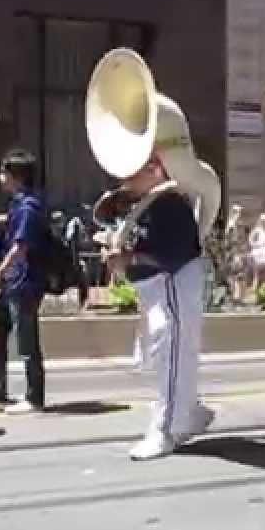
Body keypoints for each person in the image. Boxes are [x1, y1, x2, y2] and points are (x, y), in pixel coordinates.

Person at [101, 159, 216, 461]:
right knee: (164, 357)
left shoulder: (169, 204)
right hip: (157, 293)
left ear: (154, 170)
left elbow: (173, 255)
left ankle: (165, 430)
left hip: (170, 289)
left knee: (171, 355)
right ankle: (189, 412)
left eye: (133, 170)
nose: (124, 177)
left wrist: (129, 259)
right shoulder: (150, 206)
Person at [0, 150, 50, 415]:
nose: (0, 178)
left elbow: (20, 247)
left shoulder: (28, 208)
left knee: (26, 341)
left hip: (24, 281)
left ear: (16, 176)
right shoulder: (18, 206)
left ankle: (34, 398)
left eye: (4, 173)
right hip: (13, 281)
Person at [249, 213, 265, 289]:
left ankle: (263, 289)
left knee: (264, 273)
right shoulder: (256, 230)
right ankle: (255, 289)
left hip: (264, 253)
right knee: (257, 273)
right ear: (260, 220)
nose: (264, 222)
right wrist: (259, 245)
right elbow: (251, 241)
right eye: (263, 220)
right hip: (258, 253)